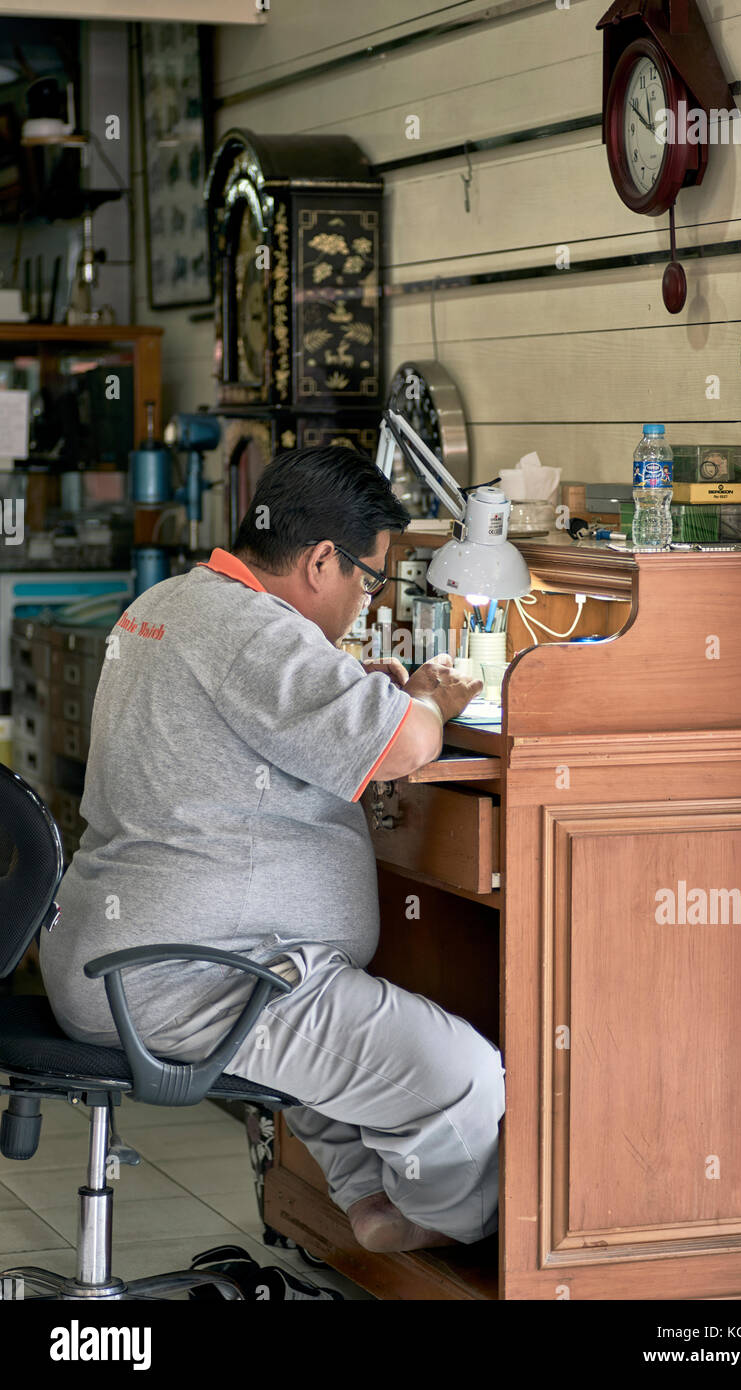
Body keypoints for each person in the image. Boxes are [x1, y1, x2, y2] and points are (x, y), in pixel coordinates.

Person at [39, 445, 505, 1253]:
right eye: (368, 578)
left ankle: (369, 1200)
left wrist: (358, 690)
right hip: (189, 976)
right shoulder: (253, 632)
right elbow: (402, 747)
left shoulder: (175, 602)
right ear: (322, 560)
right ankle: (447, 1229)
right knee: (462, 1080)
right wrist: (425, 698)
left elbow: (258, 715)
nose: (366, 600)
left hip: (115, 957)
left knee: (330, 1007)